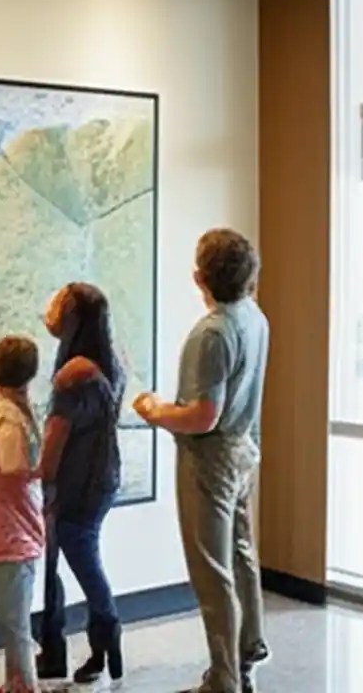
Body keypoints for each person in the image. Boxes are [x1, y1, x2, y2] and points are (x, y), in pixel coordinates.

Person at [134, 229, 269, 693]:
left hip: (210, 458)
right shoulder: (255, 318)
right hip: (243, 451)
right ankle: (248, 649)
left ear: (199, 277)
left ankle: (224, 679)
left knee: (212, 569)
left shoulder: (210, 334)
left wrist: (154, 410)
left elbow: (201, 416)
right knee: (242, 554)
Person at [35, 283, 125, 685]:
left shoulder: (74, 376)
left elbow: (55, 440)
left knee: (78, 558)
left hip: (76, 483)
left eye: (57, 305)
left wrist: (42, 481)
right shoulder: (111, 362)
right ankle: (64, 647)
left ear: (72, 316)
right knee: (70, 558)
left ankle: (103, 636)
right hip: (103, 475)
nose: (49, 311)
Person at [0, 336, 47, 693]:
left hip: (9, 536)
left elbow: (13, 466)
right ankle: (14, 683)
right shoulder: (13, 412)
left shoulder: (7, 418)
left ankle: (25, 686)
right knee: (12, 623)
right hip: (8, 532)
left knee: (15, 626)